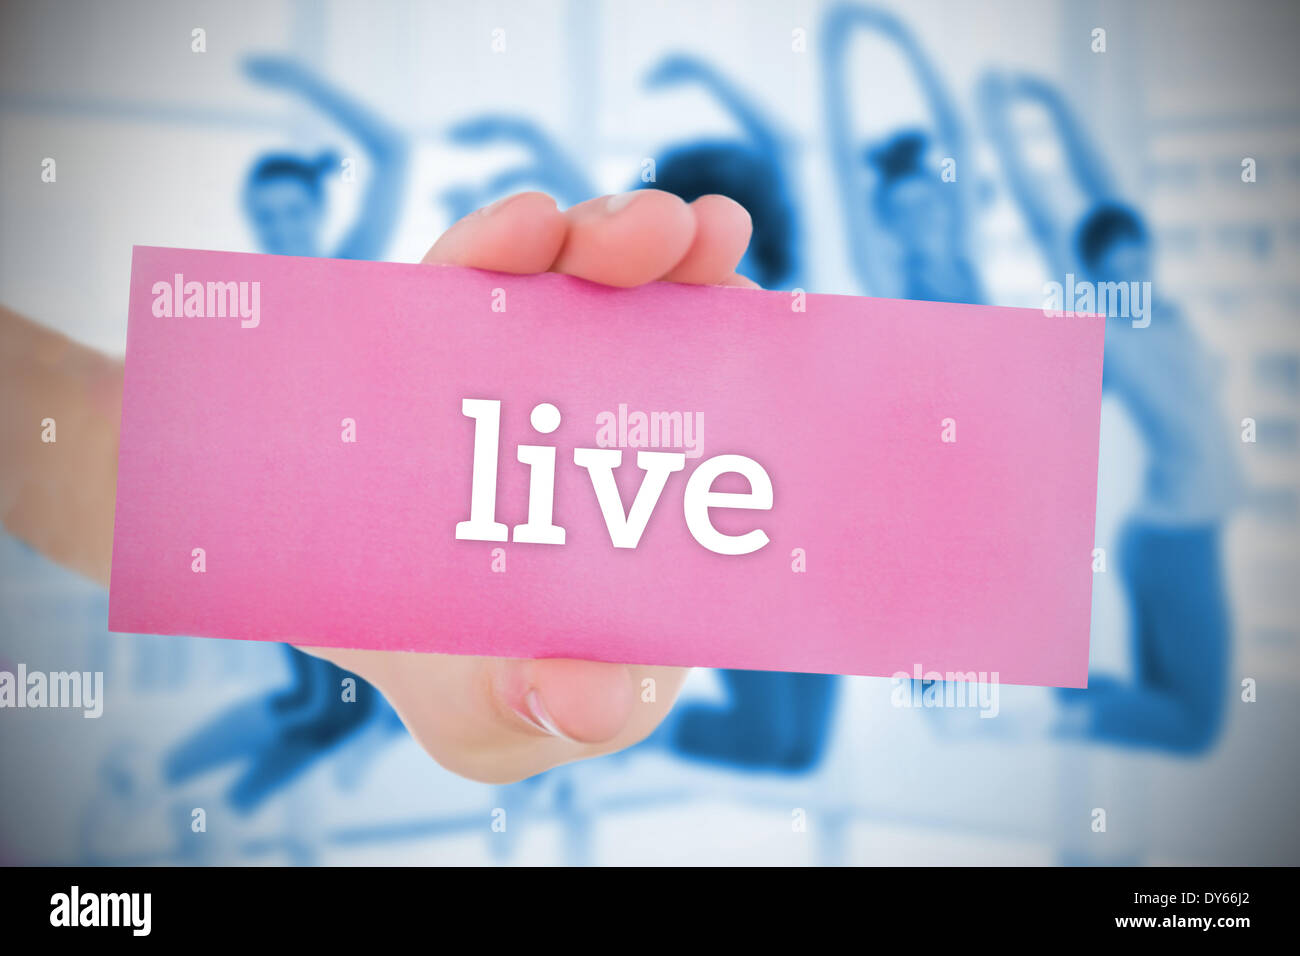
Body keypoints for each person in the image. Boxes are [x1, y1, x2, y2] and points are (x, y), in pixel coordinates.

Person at [1, 188, 759, 783]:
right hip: (321, 509)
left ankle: (190, 787)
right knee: (316, 708)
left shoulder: (353, 271)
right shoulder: (267, 302)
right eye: (269, 213)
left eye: (295, 208)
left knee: (321, 710)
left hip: (329, 504)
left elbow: (81, 441)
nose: (283, 222)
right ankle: (182, 786)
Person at [981, 72, 1239, 754]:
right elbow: (1047, 219)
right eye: (1118, 268)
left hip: (1183, 541)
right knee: (1192, 726)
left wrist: (1057, 103)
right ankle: (1046, 711)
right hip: (1175, 543)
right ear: (1097, 278)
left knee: (1171, 716)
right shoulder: (1109, 330)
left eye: (1139, 258)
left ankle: (1051, 693)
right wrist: (1000, 126)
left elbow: (1109, 198)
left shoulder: (1166, 312)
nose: (1135, 270)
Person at [822, 4, 984, 304]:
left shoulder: (966, 254)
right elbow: (843, 168)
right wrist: (832, 56)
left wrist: (907, 42)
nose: (919, 218)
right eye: (903, 213)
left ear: (945, 207)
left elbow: (958, 137)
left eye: (924, 204)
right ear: (888, 226)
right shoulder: (890, 282)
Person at [242, 55, 408, 261]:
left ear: (321, 208)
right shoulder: (250, 288)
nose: (282, 230)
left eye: (295, 212)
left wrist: (303, 81)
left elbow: (394, 150)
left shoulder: (352, 268)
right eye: (265, 217)